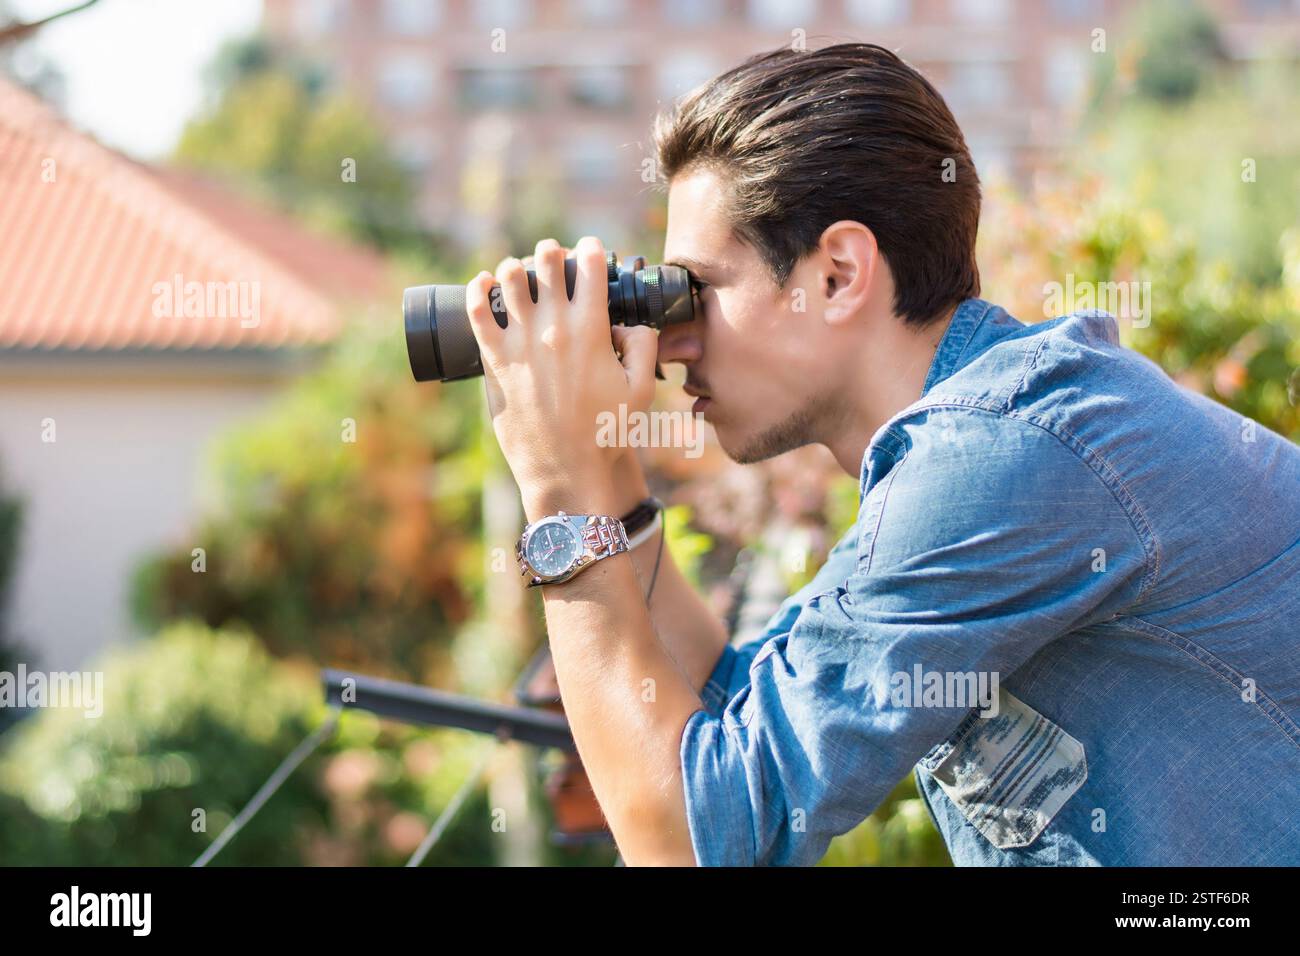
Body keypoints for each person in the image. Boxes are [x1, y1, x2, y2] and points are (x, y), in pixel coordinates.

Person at [462, 43, 1300, 866]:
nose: (673, 339)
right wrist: (607, 472)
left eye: (697, 291)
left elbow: (695, 841)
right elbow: (735, 710)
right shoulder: (989, 433)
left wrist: (558, 492)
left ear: (837, 273)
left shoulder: (1003, 454)